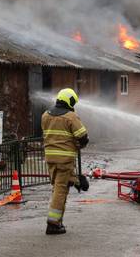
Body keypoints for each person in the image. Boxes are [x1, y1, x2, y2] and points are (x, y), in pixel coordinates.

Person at [41, 88, 88, 235]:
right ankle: (53, 224)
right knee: (60, 190)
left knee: (58, 187)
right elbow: (83, 137)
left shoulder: (45, 115)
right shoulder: (70, 117)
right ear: (69, 101)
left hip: (50, 158)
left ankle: (74, 181)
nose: (73, 106)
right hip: (65, 159)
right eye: (73, 103)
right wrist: (79, 144)